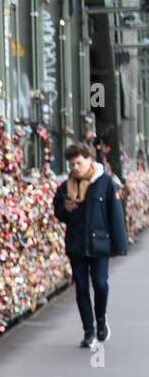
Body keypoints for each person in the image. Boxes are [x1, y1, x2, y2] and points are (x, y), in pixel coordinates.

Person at [52, 142, 128, 347]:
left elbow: (115, 215)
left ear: (89, 159)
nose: (75, 167)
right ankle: (89, 331)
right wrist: (65, 208)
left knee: (101, 284)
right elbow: (58, 210)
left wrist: (119, 245)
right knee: (82, 289)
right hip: (76, 245)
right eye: (72, 164)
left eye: (78, 162)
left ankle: (101, 321)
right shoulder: (67, 186)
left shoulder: (105, 182)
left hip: (99, 244)